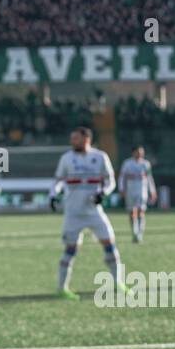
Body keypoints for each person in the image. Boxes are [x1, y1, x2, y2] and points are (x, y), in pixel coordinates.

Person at [48, 127, 119, 298]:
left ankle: (118, 282)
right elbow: (58, 180)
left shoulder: (100, 157)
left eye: (76, 139)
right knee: (70, 249)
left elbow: (111, 181)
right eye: (72, 138)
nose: (73, 142)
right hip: (72, 213)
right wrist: (53, 194)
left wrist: (103, 193)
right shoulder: (66, 158)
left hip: (94, 212)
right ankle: (62, 288)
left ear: (86, 139)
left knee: (110, 245)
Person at [118, 145, 156, 243]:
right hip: (130, 191)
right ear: (133, 152)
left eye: (141, 152)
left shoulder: (146, 164)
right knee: (132, 212)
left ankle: (140, 233)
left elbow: (149, 178)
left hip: (142, 191)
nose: (140, 154)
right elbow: (122, 177)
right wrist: (121, 189)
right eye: (138, 152)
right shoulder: (127, 163)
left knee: (141, 211)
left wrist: (152, 191)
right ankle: (134, 232)